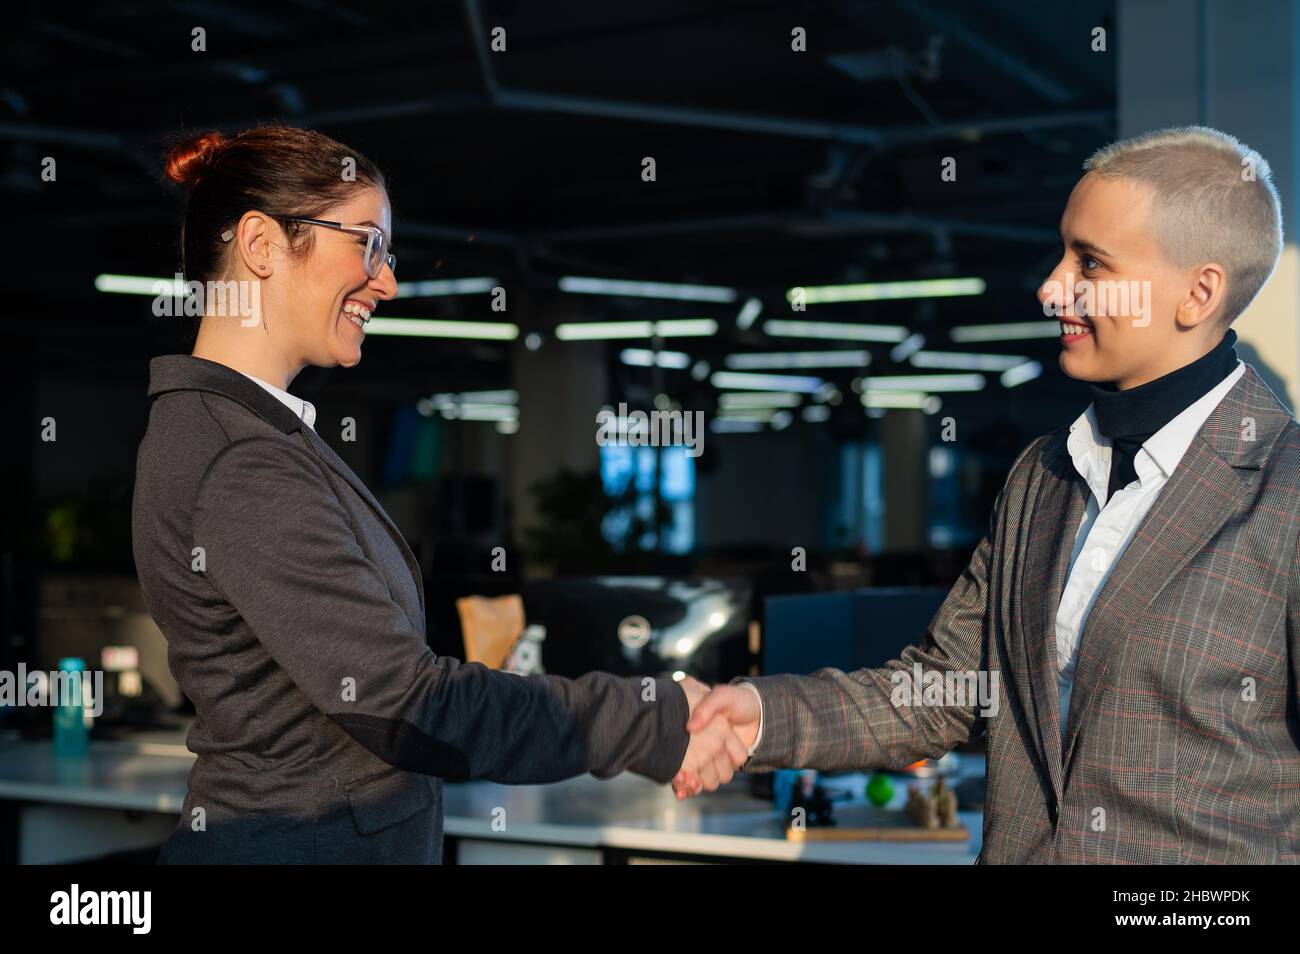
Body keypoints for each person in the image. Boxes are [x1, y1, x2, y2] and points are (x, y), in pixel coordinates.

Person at [680, 126, 1300, 864]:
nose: (1050, 288)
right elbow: (946, 688)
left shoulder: (1284, 491)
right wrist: (755, 715)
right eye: (1063, 253)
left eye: (1090, 263)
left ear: (1198, 292)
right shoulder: (1044, 474)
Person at [132, 125, 746, 864]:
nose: (386, 281)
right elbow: (407, 703)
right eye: (366, 244)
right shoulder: (241, 461)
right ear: (262, 245)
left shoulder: (237, 434)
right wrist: (652, 722)